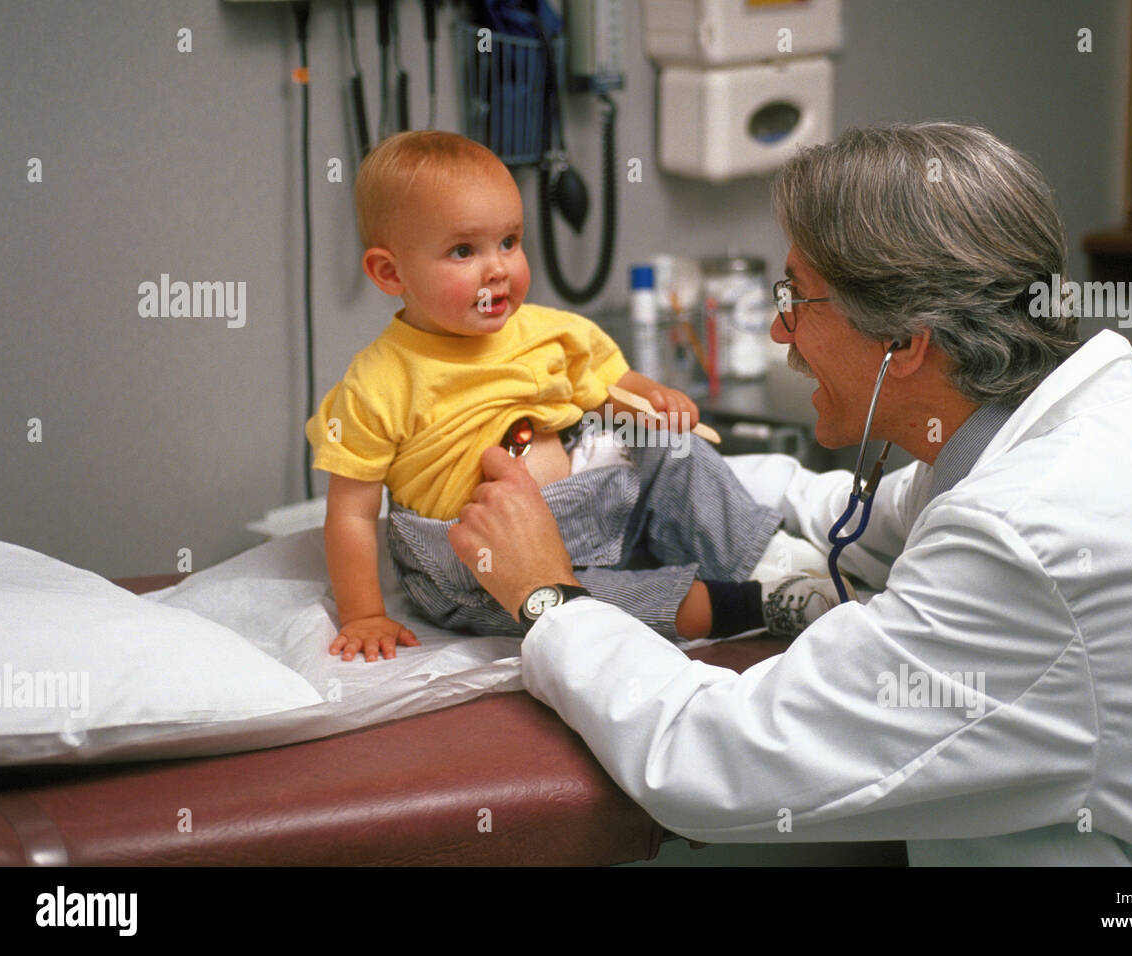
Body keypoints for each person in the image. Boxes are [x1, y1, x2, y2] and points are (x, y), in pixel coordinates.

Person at [447, 122, 1132, 865]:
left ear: (904, 342)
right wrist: (631, 475)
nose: (779, 330)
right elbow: (852, 515)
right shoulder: (1027, 440)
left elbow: (712, 761)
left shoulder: (1027, 539)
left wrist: (546, 596)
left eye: (796, 299)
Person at [306, 131, 844, 662]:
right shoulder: (378, 382)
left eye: (510, 242)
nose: (498, 267)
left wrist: (654, 399)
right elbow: (352, 513)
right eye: (463, 250)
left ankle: (765, 555)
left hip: (593, 502)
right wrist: (363, 614)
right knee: (581, 608)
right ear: (389, 271)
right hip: (481, 561)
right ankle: (756, 605)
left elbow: (615, 392)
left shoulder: (552, 332)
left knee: (671, 449)